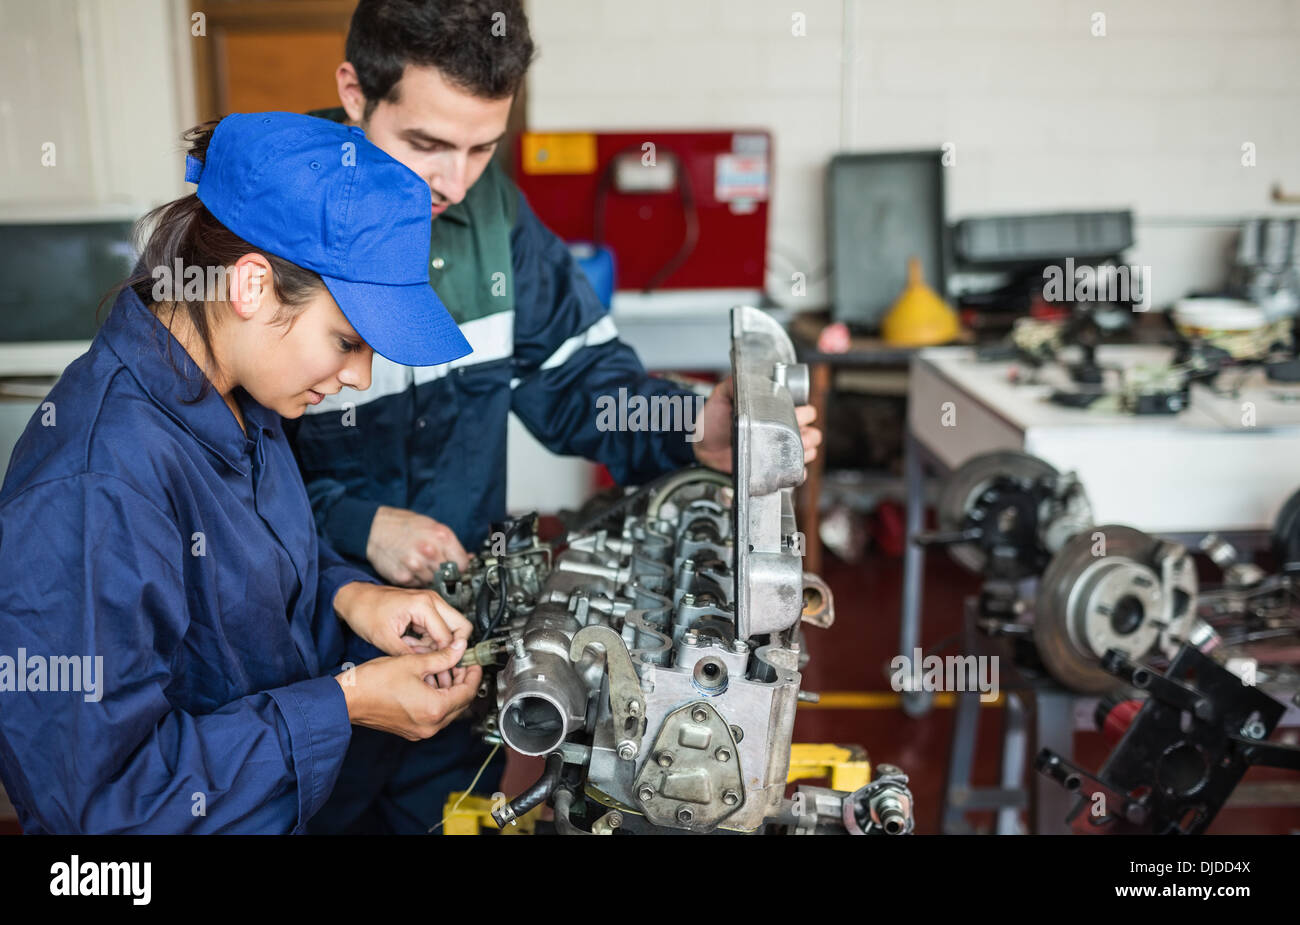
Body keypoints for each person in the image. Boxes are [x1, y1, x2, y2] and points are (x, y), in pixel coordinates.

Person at [287, 0, 822, 833]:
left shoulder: (491, 219)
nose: (453, 182)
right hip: (300, 679)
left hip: (454, 661)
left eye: (480, 146)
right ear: (355, 94)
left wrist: (695, 424)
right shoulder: (272, 225)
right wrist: (358, 522)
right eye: (426, 144)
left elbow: (579, 383)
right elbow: (214, 474)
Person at [0, 112, 482, 833]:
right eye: (347, 341)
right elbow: (103, 811)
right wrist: (347, 702)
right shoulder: (95, 484)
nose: (359, 376)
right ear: (252, 286)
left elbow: (243, 590)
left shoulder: (241, 398)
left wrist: (350, 597)